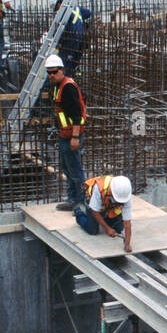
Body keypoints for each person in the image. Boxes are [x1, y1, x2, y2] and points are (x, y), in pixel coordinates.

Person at [46, 53, 87, 211]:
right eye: (49, 72)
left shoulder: (67, 87)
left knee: (75, 169)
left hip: (72, 135)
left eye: (54, 72)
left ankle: (81, 201)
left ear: (62, 70)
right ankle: (72, 199)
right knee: (68, 167)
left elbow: (77, 114)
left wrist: (75, 136)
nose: (51, 75)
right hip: (65, 134)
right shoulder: (58, 86)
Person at [76, 175, 133, 253]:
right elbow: (94, 211)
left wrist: (127, 244)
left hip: (108, 205)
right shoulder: (99, 188)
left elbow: (127, 223)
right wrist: (107, 228)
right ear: (111, 191)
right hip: (92, 202)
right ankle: (78, 213)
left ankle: (106, 218)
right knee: (92, 230)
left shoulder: (125, 195)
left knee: (119, 227)